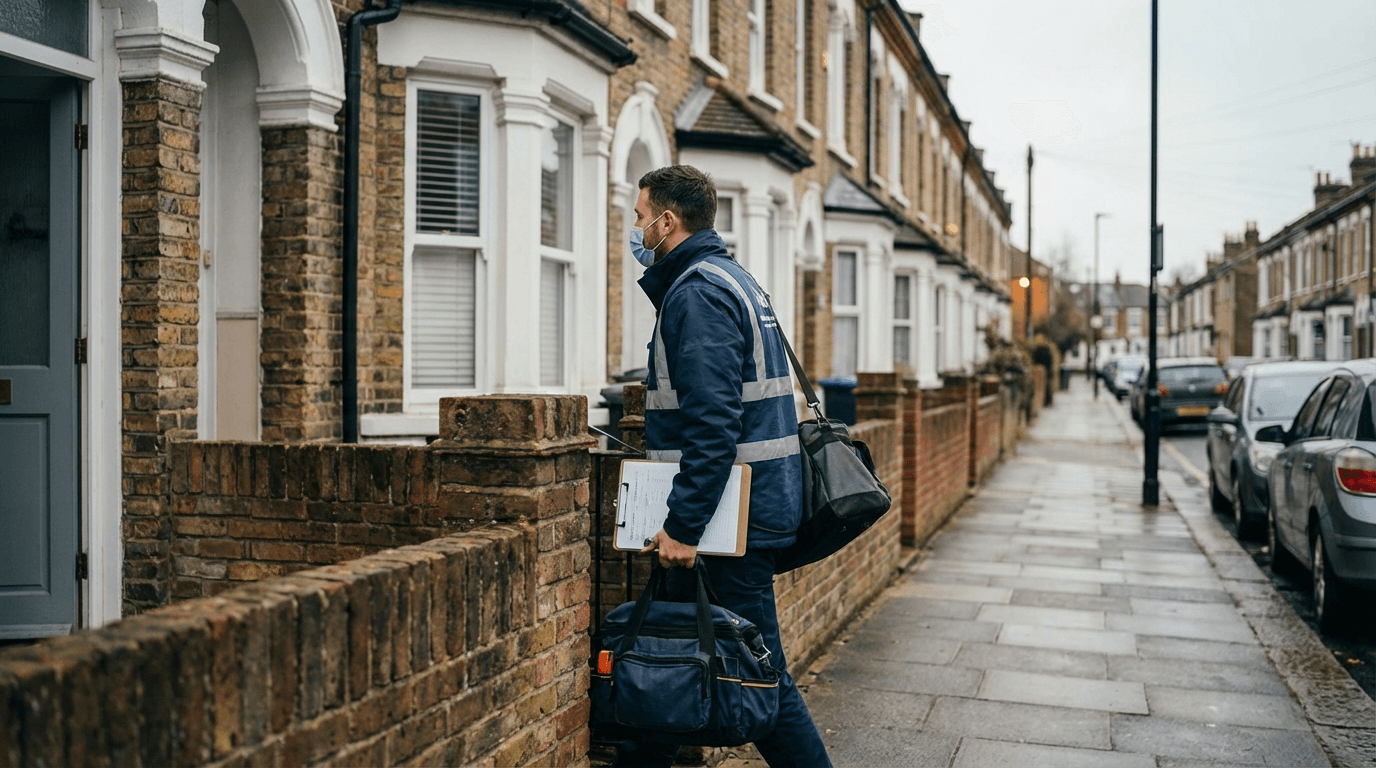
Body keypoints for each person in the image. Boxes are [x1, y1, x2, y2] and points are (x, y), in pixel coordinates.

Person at [613, 165, 831, 768]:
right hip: (739, 512)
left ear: (667, 221)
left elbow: (713, 425)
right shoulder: (732, 278)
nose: (635, 229)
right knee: (668, 650)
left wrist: (683, 526)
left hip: (730, 525)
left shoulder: (698, 293)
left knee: (763, 677)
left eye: (639, 217)